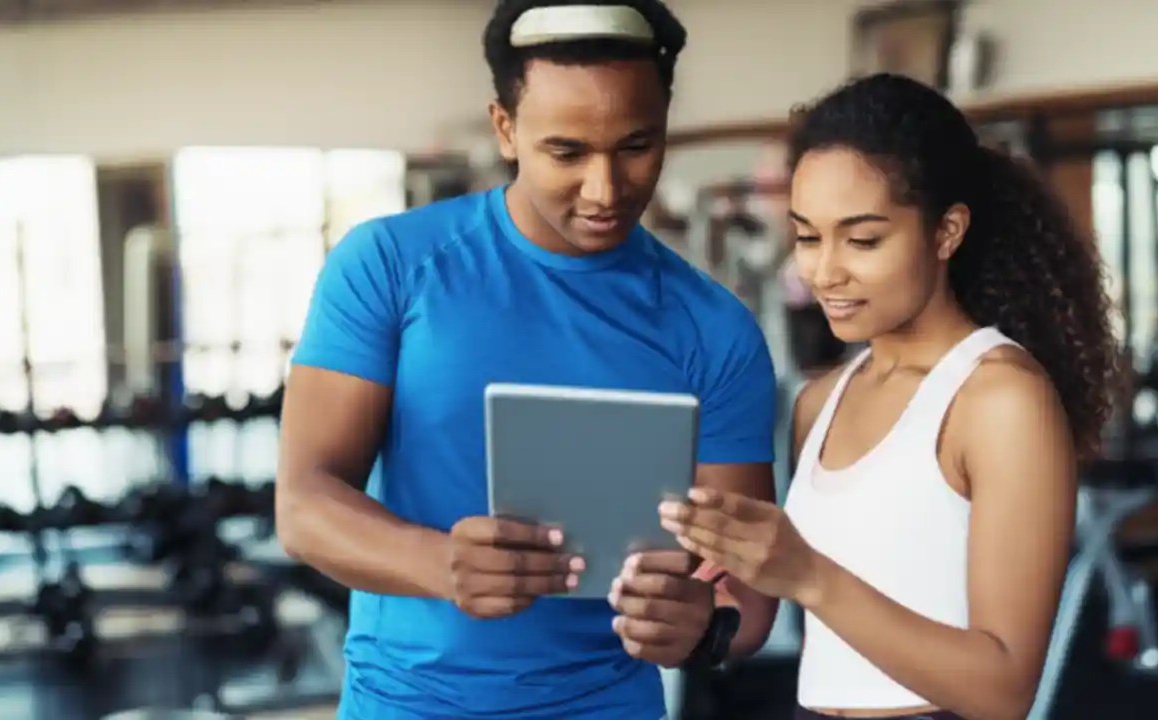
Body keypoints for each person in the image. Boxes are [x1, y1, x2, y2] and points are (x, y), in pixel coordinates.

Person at [274, 2, 780, 718]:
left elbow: (750, 589)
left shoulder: (715, 329)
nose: (605, 189)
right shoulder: (389, 265)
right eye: (567, 153)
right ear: (506, 128)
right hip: (405, 704)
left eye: (637, 146)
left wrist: (705, 626)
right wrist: (439, 564)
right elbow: (304, 505)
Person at [658, 73, 1122, 720]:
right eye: (808, 237)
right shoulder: (820, 402)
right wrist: (686, 609)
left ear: (947, 231)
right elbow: (800, 629)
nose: (825, 272)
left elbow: (1004, 691)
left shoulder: (999, 400)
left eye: (862, 240)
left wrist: (808, 574)